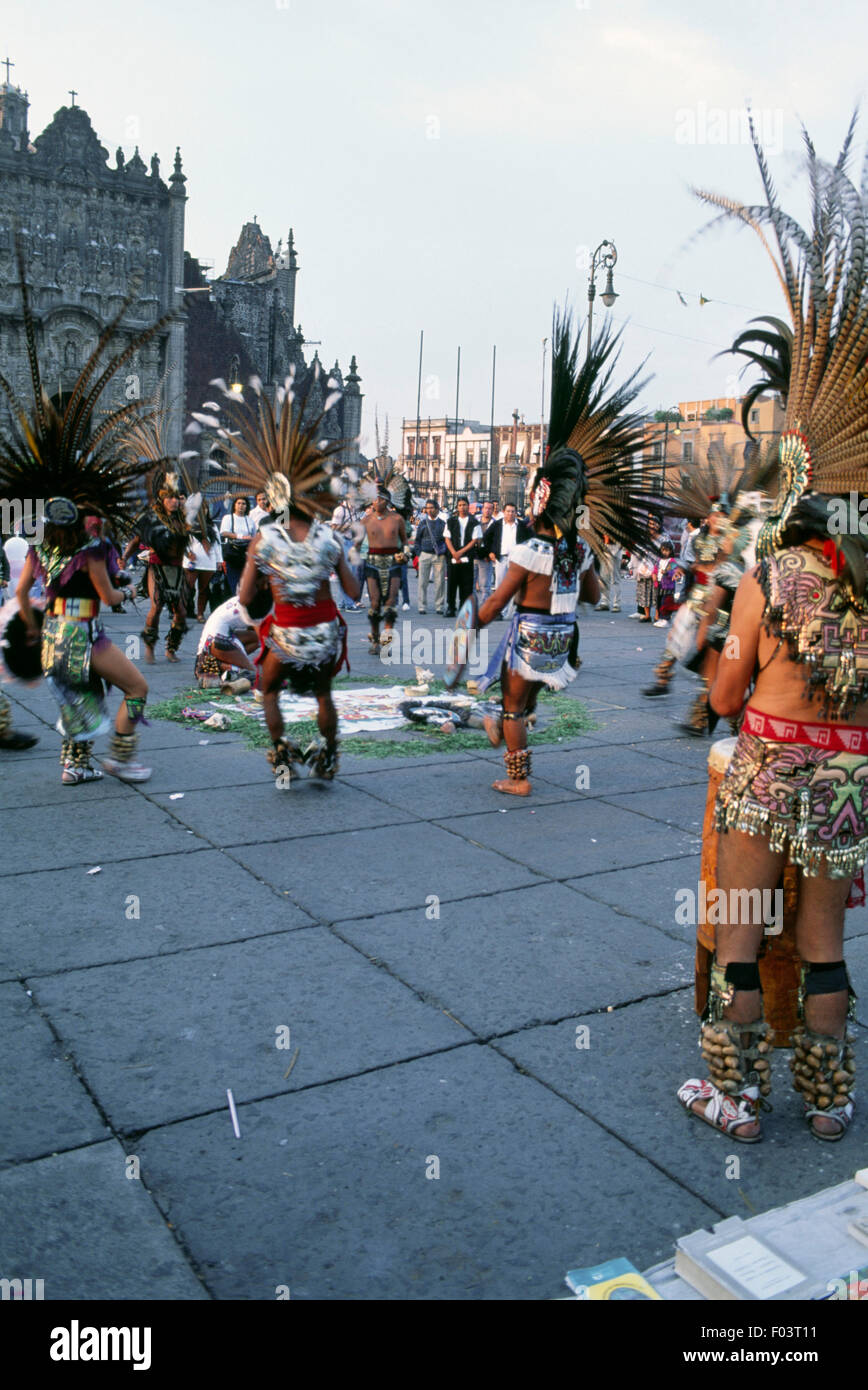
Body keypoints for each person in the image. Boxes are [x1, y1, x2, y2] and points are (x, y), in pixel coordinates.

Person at [676, 116, 867, 1145]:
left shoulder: (770, 574)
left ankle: (736, 1099)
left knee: (743, 936)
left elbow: (719, 699)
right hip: (845, 775)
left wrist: (718, 635)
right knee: (826, 938)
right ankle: (830, 1104)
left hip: (766, 768)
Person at [471, 307, 654, 794]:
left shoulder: (531, 550)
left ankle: (517, 779)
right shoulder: (578, 552)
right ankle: (498, 724)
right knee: (523, 698)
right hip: (562, 641)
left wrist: (475, 618)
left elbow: (497, 601)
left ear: (539, 502)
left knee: (514, 705)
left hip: (530, 635)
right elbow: (593, 597)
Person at [0, 237, 163, 782]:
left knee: (80, 698)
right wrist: (131, 589)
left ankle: (75, 767)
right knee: (136, 688)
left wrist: (32, 623)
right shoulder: (92, 547)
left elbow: (23, 594)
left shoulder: (42, 545)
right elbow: (109, 594)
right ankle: (120, 756)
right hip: (83, 634)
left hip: (50, 638)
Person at [124, 474, 193, 664]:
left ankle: (171, 649)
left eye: (176, 498)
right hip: (157, 567)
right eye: (169, 498)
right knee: (156, 607)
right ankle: (149, 647)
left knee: (181, 612)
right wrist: (123, 558)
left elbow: (193, 538)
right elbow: (136, 541)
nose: (174, 501)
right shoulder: (152, 520)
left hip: (177, 569)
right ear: (162, 501)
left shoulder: (184, 519)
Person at [362, 486, 408, 653]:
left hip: (393, 563)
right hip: (372, 564)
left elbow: (405, 541)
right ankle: (375, 639)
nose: (376, 502)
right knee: (374, 602)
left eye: (380, 499)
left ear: (387, 501)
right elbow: (356, 542)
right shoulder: (366, 520)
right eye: (374, 499)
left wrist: (406, 554)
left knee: (390, 602)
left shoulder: (397, 519)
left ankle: (386, 641)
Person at [486, 503, 531, 619]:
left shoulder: (522, 525)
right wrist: (490, 552)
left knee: (517, 586)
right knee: (500, 586)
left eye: (513, 511)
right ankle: (499, 612)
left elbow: (531, 539)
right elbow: (486, 538)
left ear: (516, 513)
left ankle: (515, 612)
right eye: (508, 511)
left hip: (517, 559)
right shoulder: (497, 525)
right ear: (504, 512)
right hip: (502, 558)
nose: (510, 514)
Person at [444, 497, 480, 616]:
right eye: (460, 505)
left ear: (468, 506)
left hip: (467, 556)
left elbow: (474, 540)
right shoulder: (451, 521)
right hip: (452, 556)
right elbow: (447, 538)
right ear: (457, 507)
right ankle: (451, 607)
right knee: (452, 583)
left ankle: (464, 607)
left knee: (466, 584)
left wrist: (461, 552)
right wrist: (454, 552)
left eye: (464, 505)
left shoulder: (474, 522)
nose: (462, 507)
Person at [412, 498, 447, 614]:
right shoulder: (422, 523)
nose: (429, 510)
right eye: (427, 508)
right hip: (425, 555)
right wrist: (419, 553)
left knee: (440, 582)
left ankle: (439, 606)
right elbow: (417, 540)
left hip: (439, 556)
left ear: (437, 509)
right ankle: (422, 606)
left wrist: (443, 553)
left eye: (432, 508)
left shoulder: (443, 524)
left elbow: (446, 540)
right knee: (422, 582)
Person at [220, 496, 256, 594]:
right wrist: (241, 536)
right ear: (234, 505)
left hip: (246, 555)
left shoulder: (249, 520)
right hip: (232, 555)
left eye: (243, 504)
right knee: (234, 584)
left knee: (246, 585)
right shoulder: (228, 518)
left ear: (247, 506)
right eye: (238, 503)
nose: (241, 506)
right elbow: (224, 532)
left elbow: (253, 536)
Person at [595, 533, 623, 613]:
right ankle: (604, 602)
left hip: (614, 546)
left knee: (615, 578)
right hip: (604, 547)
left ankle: (616, 603)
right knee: (603, 577)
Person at [474, 500, 496, 600]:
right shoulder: (475, 520)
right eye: (485, 508)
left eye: (490, 508)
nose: (487, 510)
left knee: (485, 585)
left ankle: (484, 607)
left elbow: (496, 541)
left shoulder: (495, 524)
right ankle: (472, 606)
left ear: (493, 510)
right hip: (473, 555)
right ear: (482, 509)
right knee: (470, 584)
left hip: (486, 558)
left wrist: (490, 554)